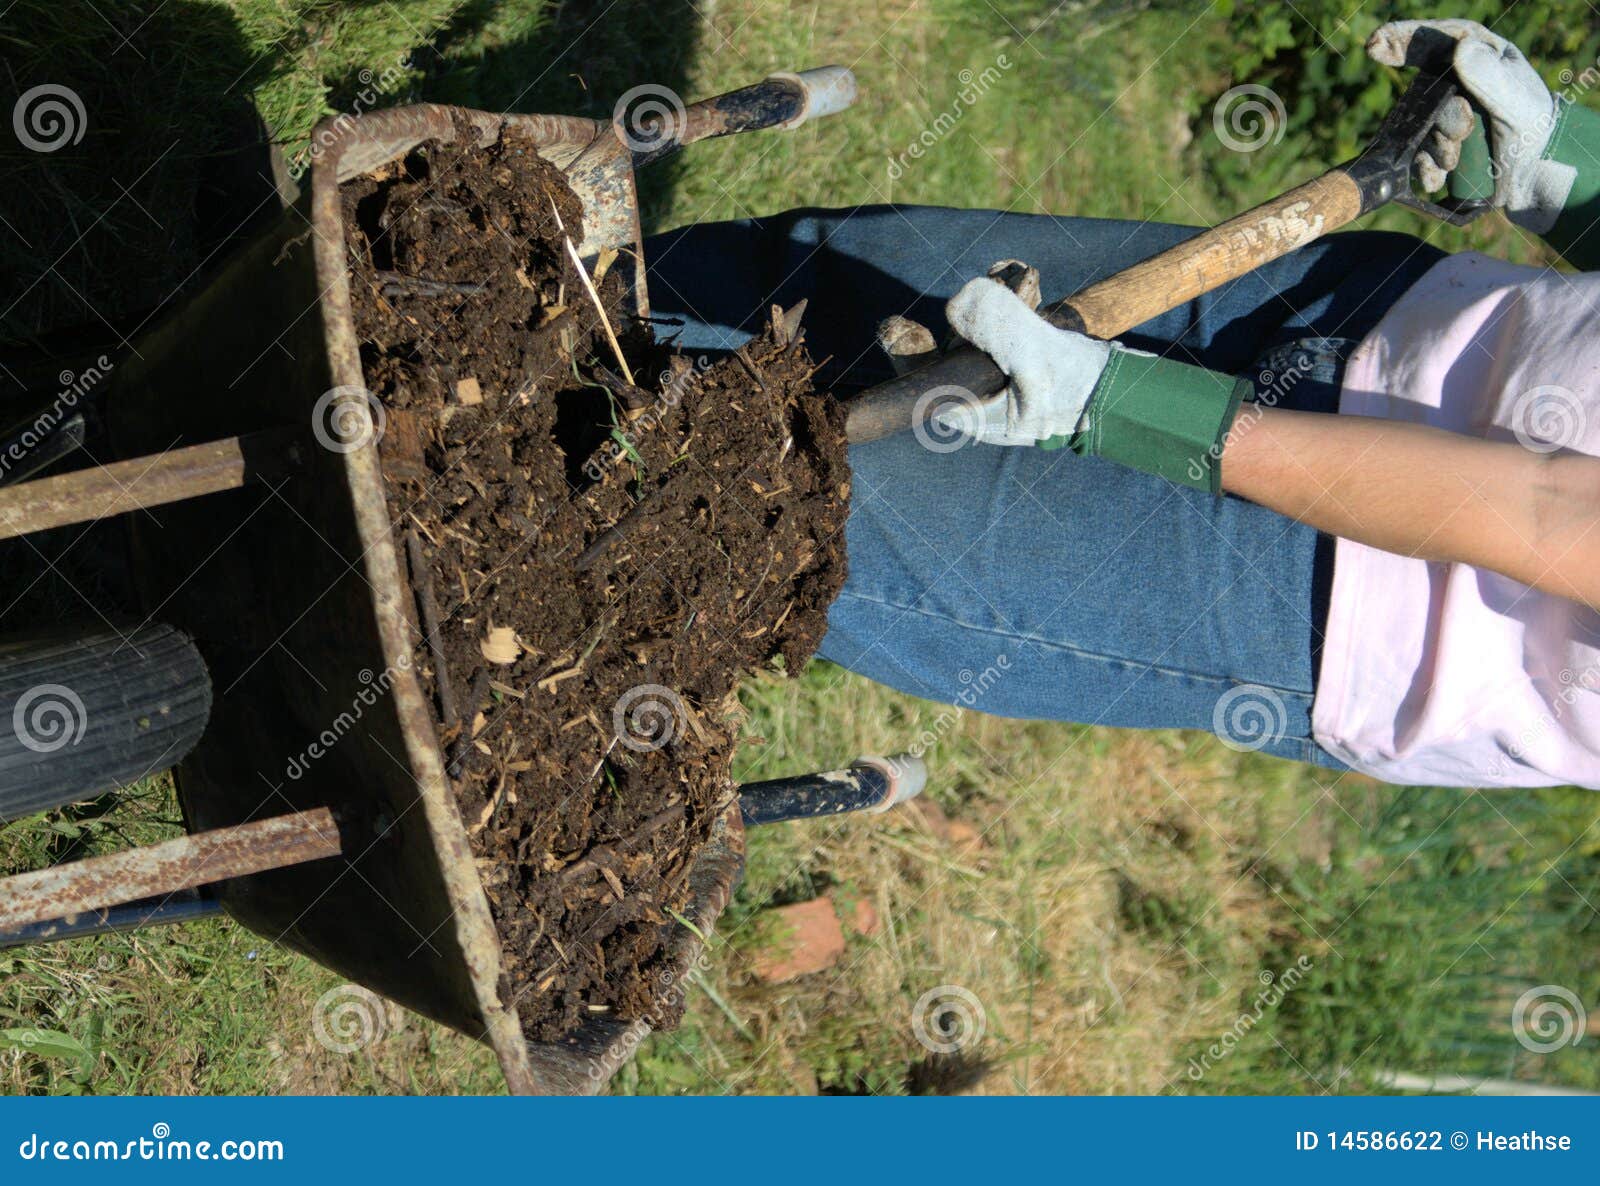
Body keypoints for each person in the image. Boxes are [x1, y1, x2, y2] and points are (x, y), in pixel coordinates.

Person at [643, 18, 1600, 789]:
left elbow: (1549, 509)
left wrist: (1118, 405)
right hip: (1388, 312)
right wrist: (1565, 170)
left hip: (1333, 582)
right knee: (804, 278)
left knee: (765, 517)